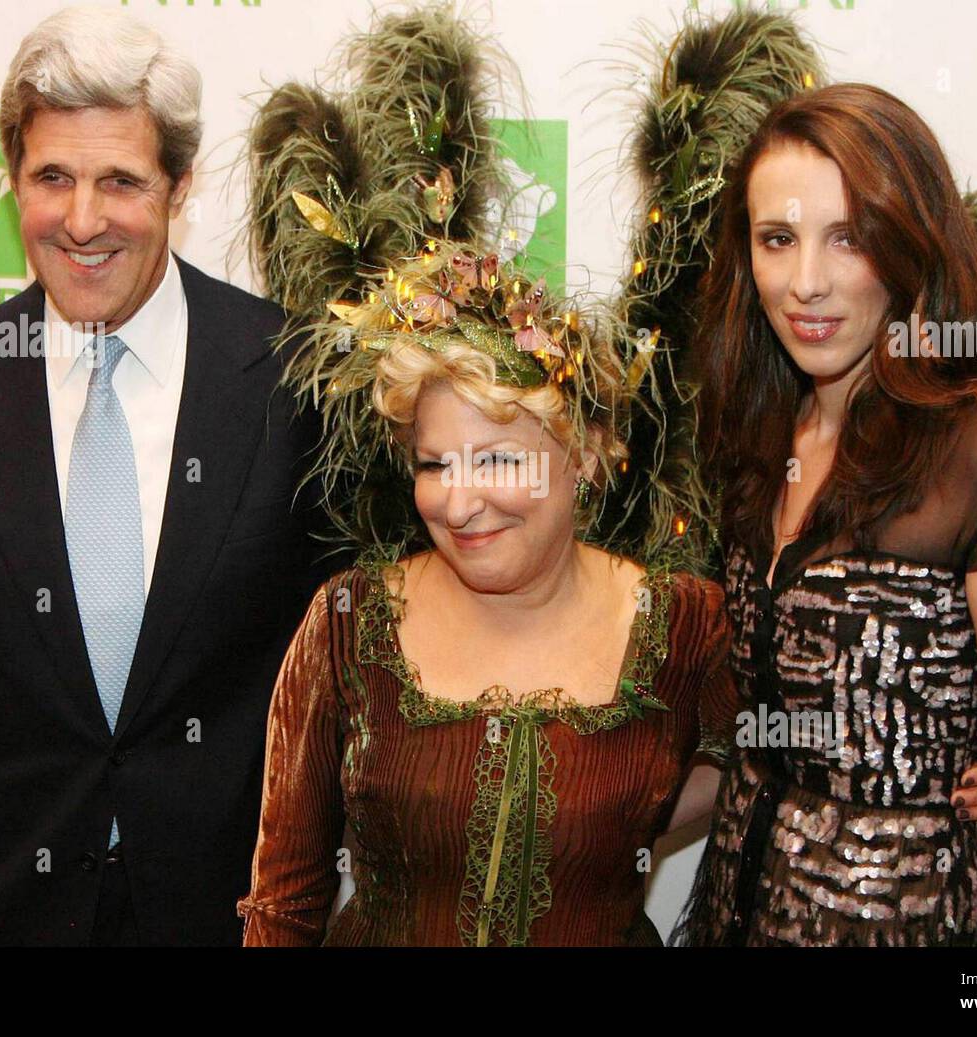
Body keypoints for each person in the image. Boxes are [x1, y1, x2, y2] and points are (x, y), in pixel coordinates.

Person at [0, 7, 330, 946]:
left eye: (121, 181)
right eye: (52, 177)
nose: (82, 220)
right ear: (13, 182)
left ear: (180, 186)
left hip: (220, 919)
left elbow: (334, 693)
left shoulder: (290, 381)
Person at [671, 83, 977, 947]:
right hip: (736, 907)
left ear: (907, 242)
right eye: (777, 240)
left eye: (848, 237)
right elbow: (763, 711)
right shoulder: (760, 430)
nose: (806, 283)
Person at [236, 243, 739, 946]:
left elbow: (783, 772)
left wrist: (636, 812)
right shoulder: (348, 622)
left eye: (499, 460)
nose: (461, 502)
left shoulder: (685, 625)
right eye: (435, 462)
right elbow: (283, 904)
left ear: (584, 454)